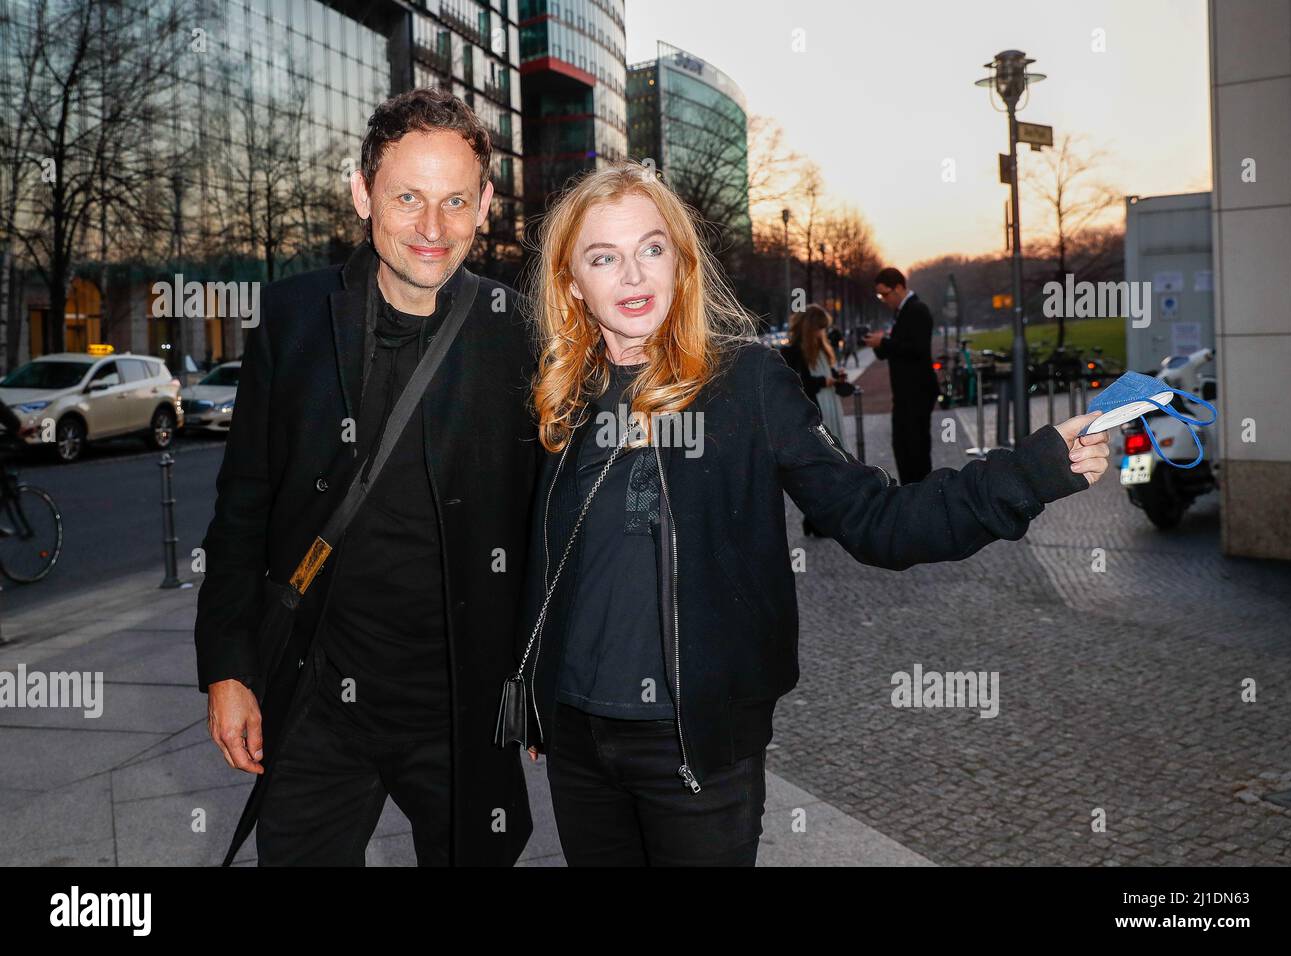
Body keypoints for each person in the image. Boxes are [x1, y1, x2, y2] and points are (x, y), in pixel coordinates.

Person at [507, 163, 1111, 867]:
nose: (633, 276)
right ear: (572, 281)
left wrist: (1025, 474)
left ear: (681, 259)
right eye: (603, 257)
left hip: (695, 743)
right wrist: (539, 689)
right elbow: (533, 553)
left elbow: (875, 519)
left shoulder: (746, 383)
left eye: (651, 248)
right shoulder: (559, 397)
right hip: (578, 737)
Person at [195, 89, 539, 866]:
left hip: (461, 702)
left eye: (456, 201)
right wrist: (227, 667)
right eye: (407, 197)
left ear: (484, 204)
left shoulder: (520, 331)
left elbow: (553, 517)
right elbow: (243, 506)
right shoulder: (291, 318)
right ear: (362, 192)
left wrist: (541, 683)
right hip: (318, 693)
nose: (431, 227)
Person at [864, 268, 940, 484]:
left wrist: (884, 343)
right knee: (904, 447)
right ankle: (913, 493)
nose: (883, 300)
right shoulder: (905, 312)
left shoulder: (917, 310)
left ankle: (919, 494)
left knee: (914, 449)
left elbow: (917, 349)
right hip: (908, 393)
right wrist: (879, 344)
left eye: (885, 294)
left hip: (916, 392)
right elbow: (896, 351)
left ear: (898, 287)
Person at [780, 304, 848, 537]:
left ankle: (823, 519)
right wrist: (824, 382)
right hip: (817, 408)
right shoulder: (795, 352)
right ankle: (818, 521)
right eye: (821, 328)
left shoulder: (820, 348)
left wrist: (837, 379)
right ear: (812, 328)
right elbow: (800, 384)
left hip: (829, 404)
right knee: (823, 464)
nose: (824, 333)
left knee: (834, 460)